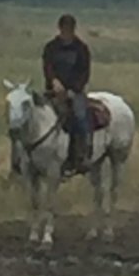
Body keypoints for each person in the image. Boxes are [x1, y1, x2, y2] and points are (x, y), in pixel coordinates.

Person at [42, 14, 92, 174]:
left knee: (80, 117)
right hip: (53, 91)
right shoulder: (51, 47)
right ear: (59, 28)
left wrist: (74, 89)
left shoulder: (81, 49)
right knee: (32, 116)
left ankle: (81, 156)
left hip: (74, 92)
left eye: (69, 29)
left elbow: (85, 72)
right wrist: (53, 81)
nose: (66, 31)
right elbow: (47, 66)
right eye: (64, 28)